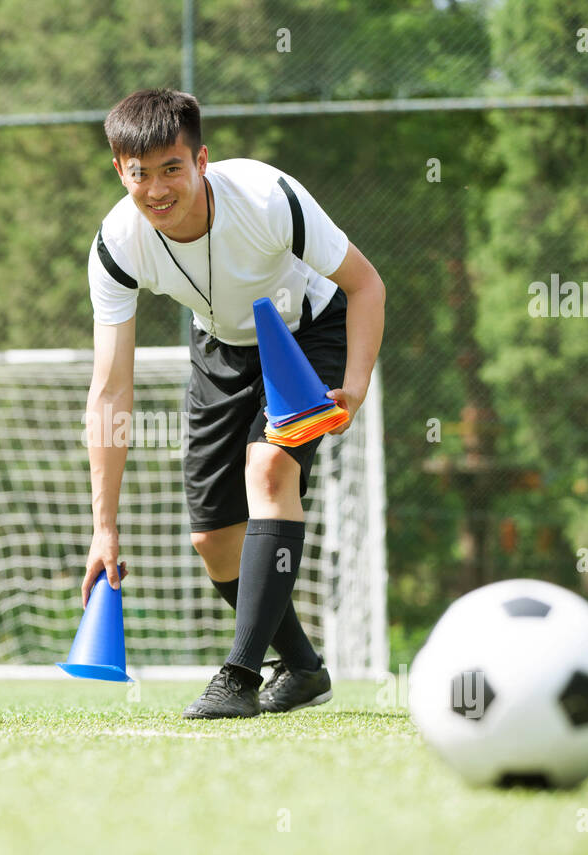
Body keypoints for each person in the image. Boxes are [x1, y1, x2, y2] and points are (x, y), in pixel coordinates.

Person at [81, 89, 384, 718]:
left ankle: (239, 677)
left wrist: (354, 384)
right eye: (140, 174)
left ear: (202, 160)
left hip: (307, 332)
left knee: (269, 469)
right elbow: (111, 388)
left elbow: (366, 284)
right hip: (219, 345)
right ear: (119, 170)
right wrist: (103, 528)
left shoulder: (269, 199)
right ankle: (302, 669)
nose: (157, 189)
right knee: (213, 539)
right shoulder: (116, 245)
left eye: (172, 168)